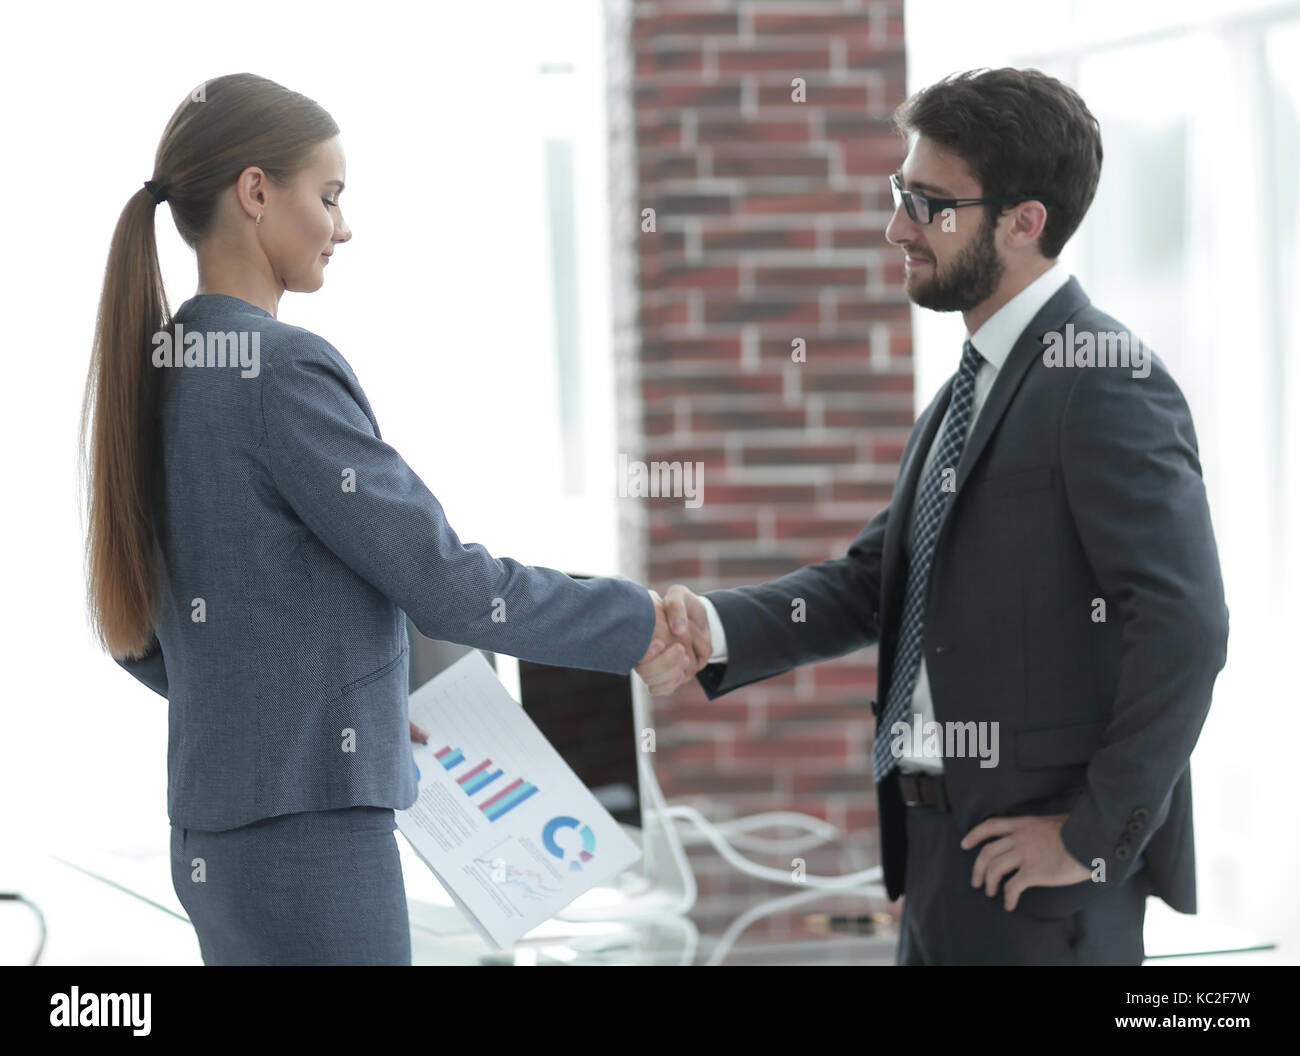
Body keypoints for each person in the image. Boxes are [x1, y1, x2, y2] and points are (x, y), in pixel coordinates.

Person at [80, 73, 707, 966]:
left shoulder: (165, 373)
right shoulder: (280, 368)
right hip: (312, 841)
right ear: (256, 193)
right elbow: (447, 582)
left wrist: (340, 702)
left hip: (216, 834)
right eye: (329, 197)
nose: (343, 226)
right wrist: (637, 620)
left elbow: (141, 631)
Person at [635, 67, 1229, 966]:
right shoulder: (973, 388)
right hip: (940, 860)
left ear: (1024, 222)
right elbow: (878, 583)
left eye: (928, 204)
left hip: (1037, 885)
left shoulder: (1103, 380)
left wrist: (1089, 836)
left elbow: (1185, 624)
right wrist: (710, 627)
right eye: (899, 193)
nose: (897, 227)